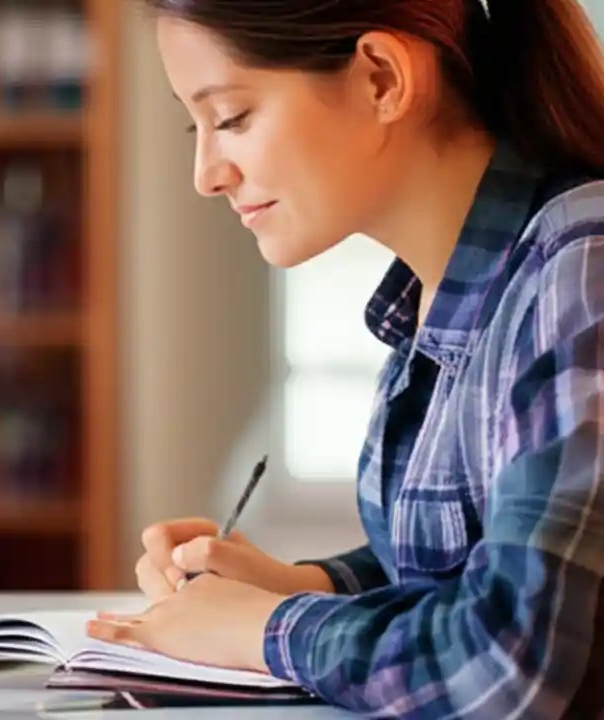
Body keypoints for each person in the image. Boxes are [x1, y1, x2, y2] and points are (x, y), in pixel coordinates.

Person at [85, 0, 604, 717]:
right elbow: (463, 568)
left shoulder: (581, 268)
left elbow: (507, 665)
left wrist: (261, 629)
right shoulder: (437, 294)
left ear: (382, 79)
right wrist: (304, 587)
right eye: (193, 125)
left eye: (231, 117)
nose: (206, 173)